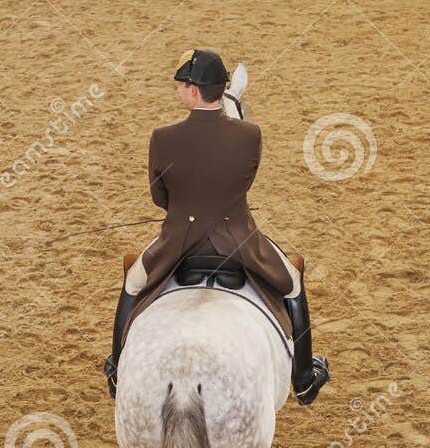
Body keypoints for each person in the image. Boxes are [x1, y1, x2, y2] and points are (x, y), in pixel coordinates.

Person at [103, 49, 329, 404]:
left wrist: (184, 208)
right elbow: (244, 182)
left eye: (181, 86)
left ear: (194, 91)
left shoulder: (163, 137)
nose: (178, 90)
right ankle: (303, 381)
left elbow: (158, 197)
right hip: (238, 239)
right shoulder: (250, 134)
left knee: (133, 281)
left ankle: (117, 372)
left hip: (179, 242)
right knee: (293, 284)